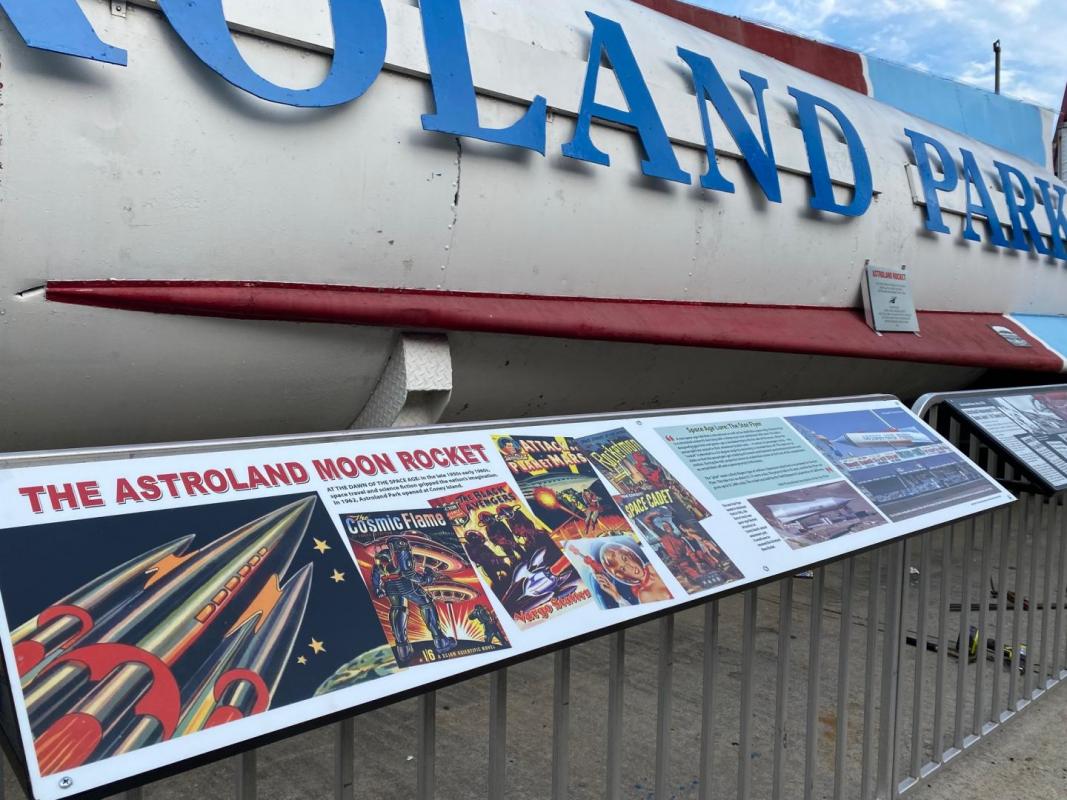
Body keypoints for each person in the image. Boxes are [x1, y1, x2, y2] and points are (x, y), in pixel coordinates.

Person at [597, 543, 672, 603]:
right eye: (623, 568)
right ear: (621, 575)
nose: (630, 567)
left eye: (625, 559)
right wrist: (617, 596)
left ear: (630, 556)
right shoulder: (644, 594)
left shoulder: (653, 566)